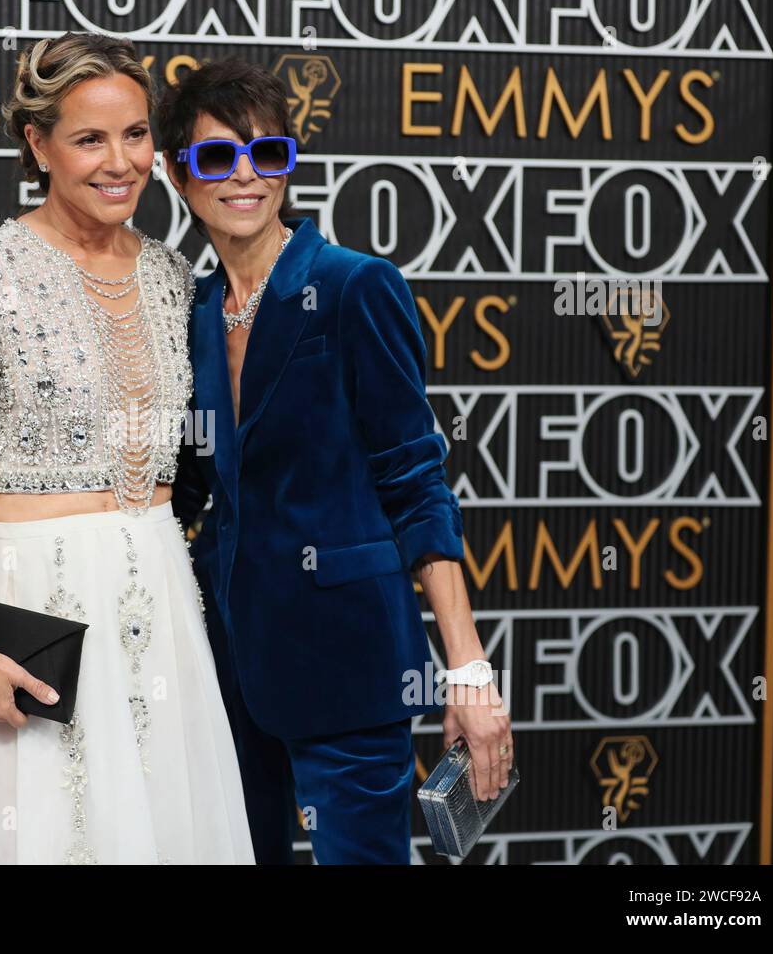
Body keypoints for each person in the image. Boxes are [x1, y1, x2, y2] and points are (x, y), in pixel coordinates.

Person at [0, 34, 254, 864]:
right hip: (32, 607)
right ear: (37, 145)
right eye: (89, 139)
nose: (119, 163)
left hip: (159, 597)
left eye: (135, 135)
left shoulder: (171, 277)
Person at [157, 59, 514, 864]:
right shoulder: (192, 315)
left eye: (268, 153)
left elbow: (416, 478)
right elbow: (182, 491)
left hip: (351, 663)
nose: (246, 176)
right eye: (218, 158)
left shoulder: (356, 287)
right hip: (228, 666)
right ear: (181, 177)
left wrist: (467, 671)